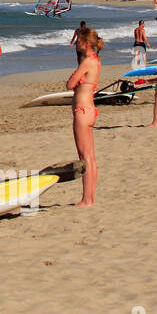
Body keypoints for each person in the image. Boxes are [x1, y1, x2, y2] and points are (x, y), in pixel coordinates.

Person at [66, 28, 102, 206]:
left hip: (82, 110)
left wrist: (75, 80)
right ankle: (90, 197)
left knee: (85, 157)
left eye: (79, 41)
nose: (76, 44)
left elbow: (70, 83)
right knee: (90, 156)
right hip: (90, 109)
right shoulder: (96, 60)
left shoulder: (87, 61)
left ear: (87, 44)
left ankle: (87, 199)